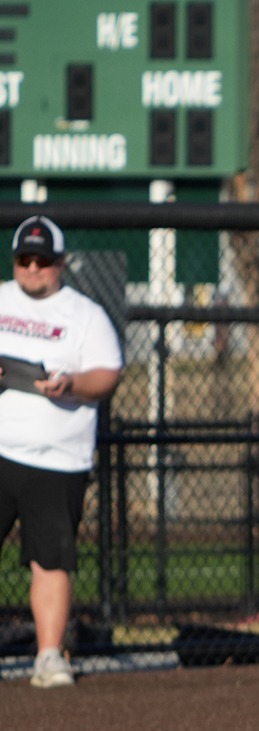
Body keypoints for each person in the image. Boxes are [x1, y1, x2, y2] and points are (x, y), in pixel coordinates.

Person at [0, 215, 123, 690]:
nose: (33, 269)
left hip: (56, 459)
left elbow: (107, 374)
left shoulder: (85, 315)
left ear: (61, 263)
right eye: (24, 260)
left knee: (50, 561)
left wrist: (71, 383)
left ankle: (49, 656)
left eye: (42, 260)